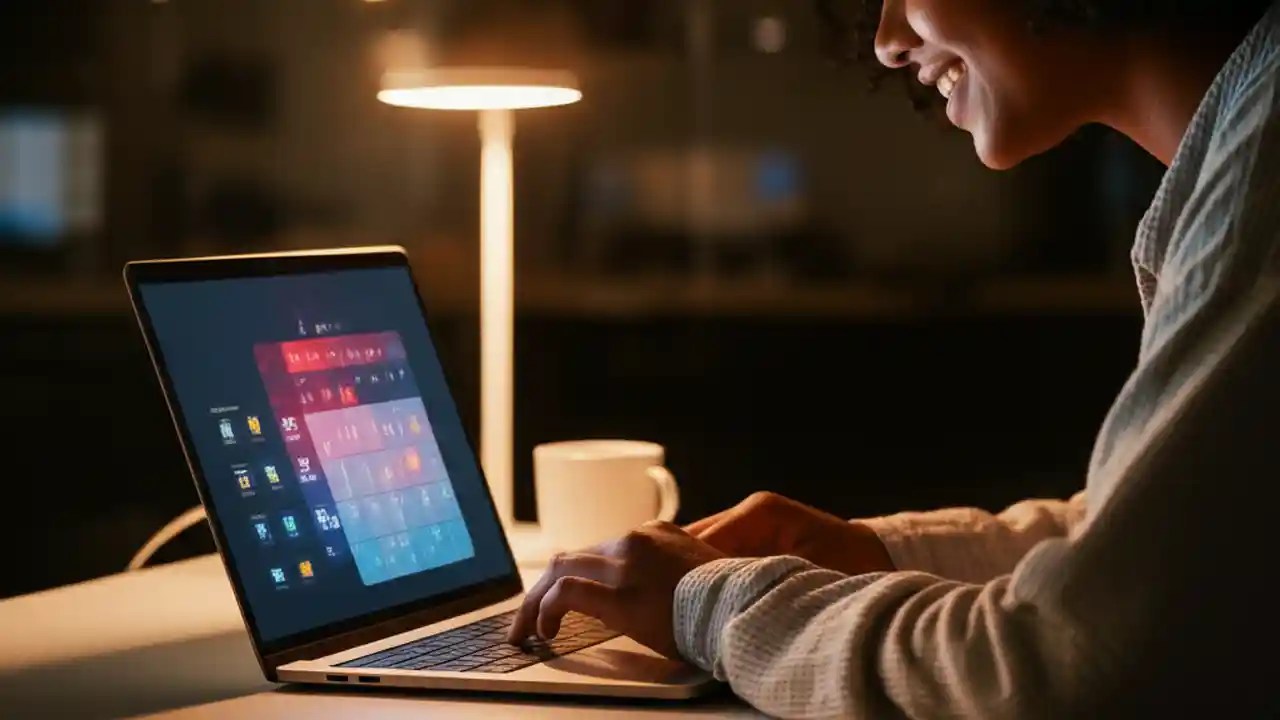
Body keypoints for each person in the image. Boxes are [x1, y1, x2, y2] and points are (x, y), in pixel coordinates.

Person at [507, 0, 1280, 717]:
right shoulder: (1245, 141)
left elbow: (1065, 661)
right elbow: (1167, 551)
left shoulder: (1261, 190)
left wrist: (707, 603)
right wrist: (882, 551)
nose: (887, 40)